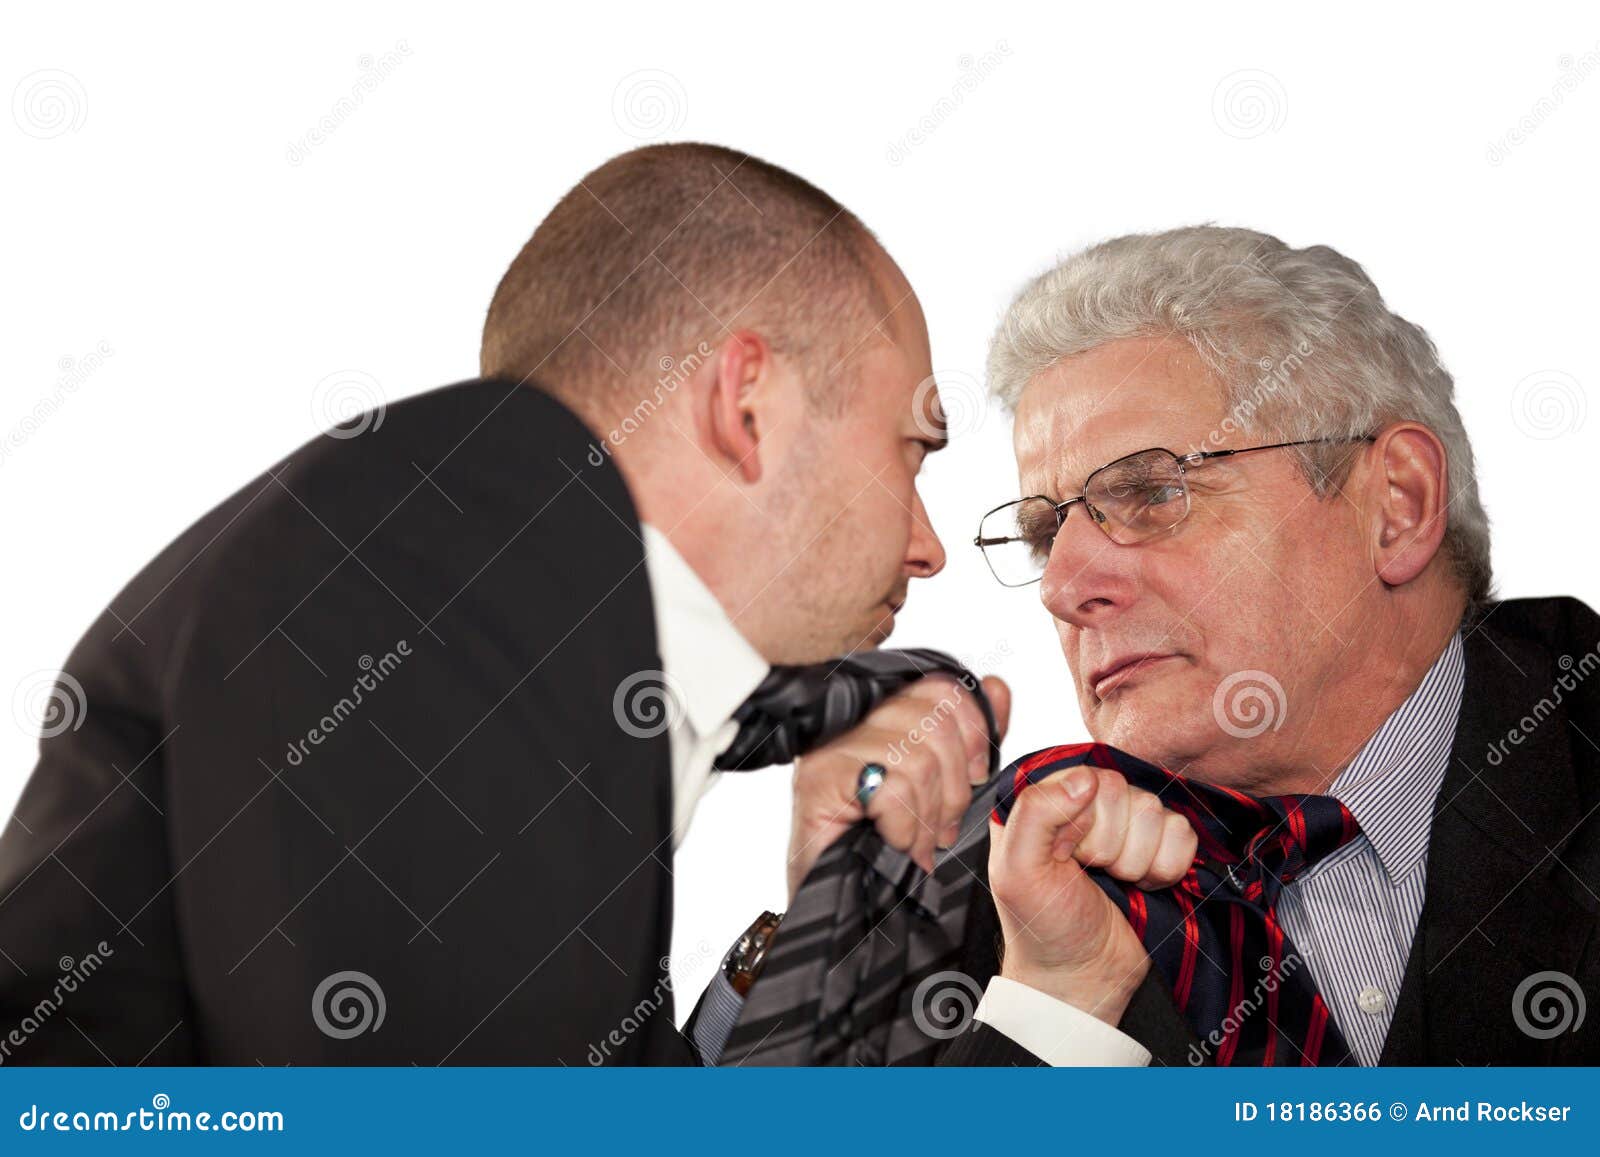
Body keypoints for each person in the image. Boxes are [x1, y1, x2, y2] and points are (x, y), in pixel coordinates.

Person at [0, 143, 1001, 1064]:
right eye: (911, 449)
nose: (927, 545)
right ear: (748, 405)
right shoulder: (445, 581)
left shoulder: (492, 594)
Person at [698, 226, 1599, 1066]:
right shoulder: (987, 878)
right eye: (1048, 533)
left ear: (1395, 503)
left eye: (1150, 494)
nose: (1063, 586)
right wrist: (834, 936)